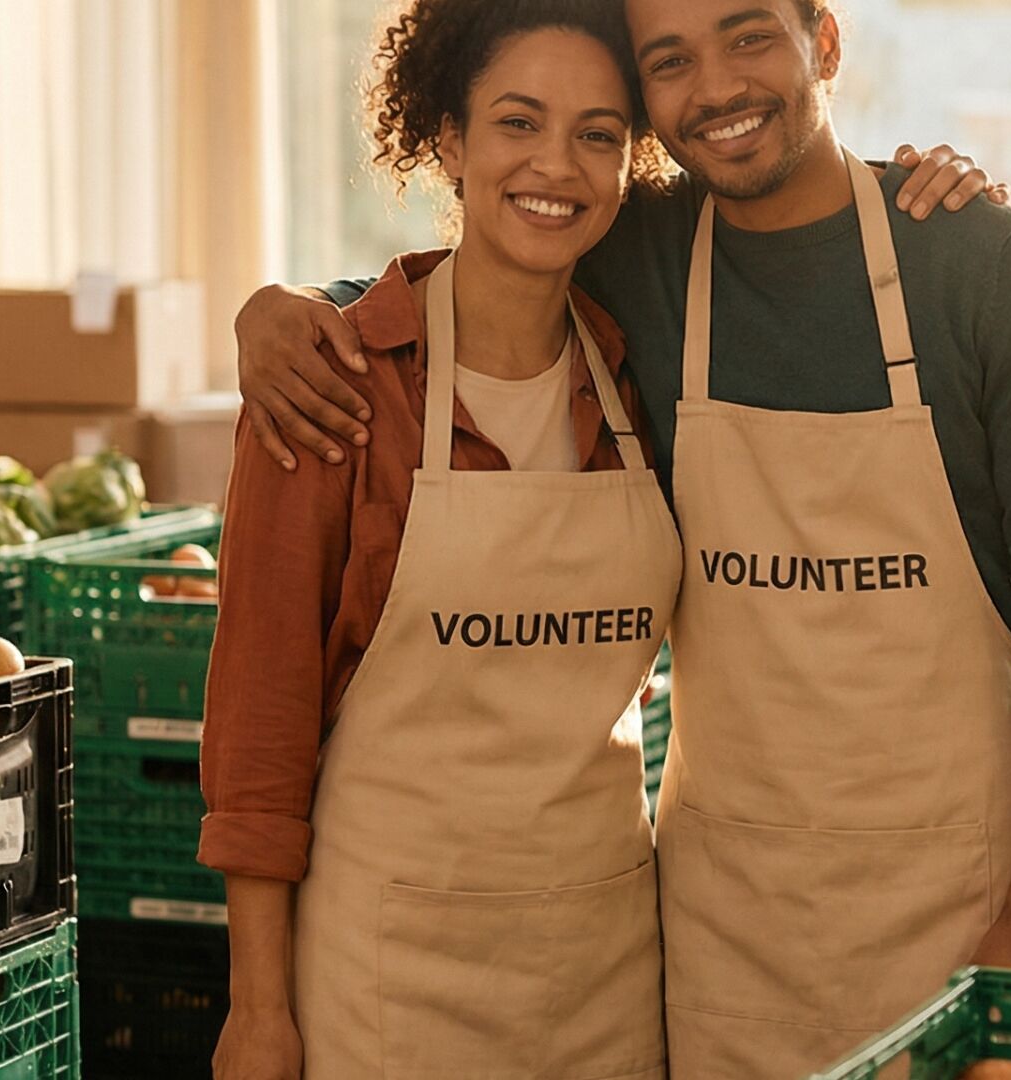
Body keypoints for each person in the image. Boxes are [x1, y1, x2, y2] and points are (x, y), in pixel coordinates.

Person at [230, 0, 1011, 1074]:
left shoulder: (982, 265)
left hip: (959, 914)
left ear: (824, 42)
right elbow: (475, 267)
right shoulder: (644, 258)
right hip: (719, 943)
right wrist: (280, 310)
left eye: (748, 36)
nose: (714, 87)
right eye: (669, 61)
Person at [201, 2, 683, 1076]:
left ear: (629, 164)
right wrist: (259, 1010)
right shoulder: (332, 385)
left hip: (604, 971)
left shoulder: (639, 375)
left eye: (597, 134)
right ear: (450, 140)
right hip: (390, 975)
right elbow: (260, 728)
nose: (555, 164)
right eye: (518, 121)